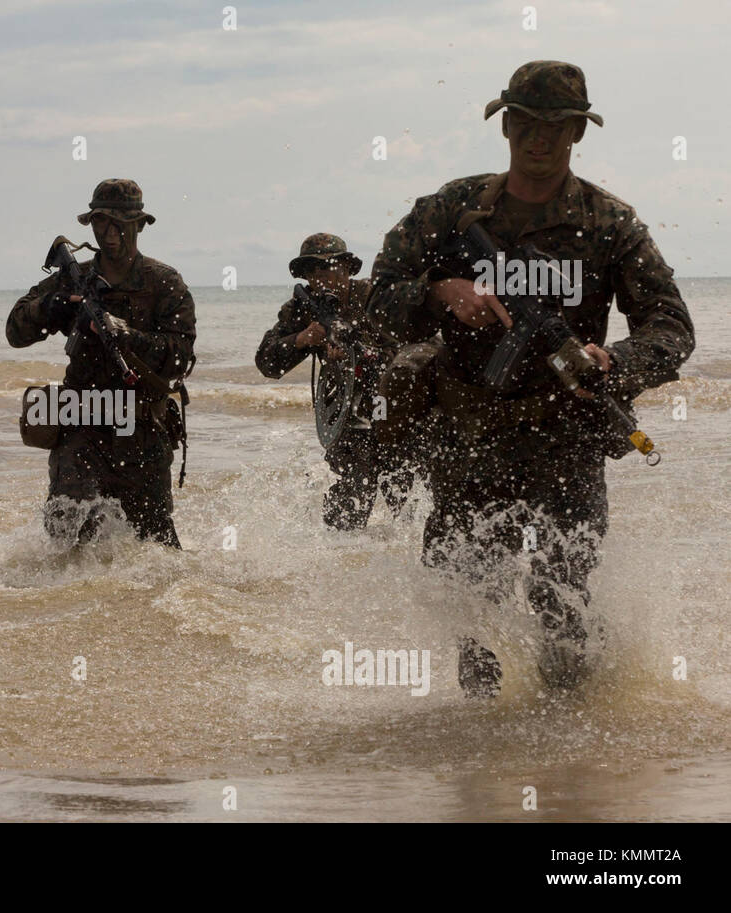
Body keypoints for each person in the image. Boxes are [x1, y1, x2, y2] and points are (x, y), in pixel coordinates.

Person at [366, 62, 695, 695]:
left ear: (578, 133)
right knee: (475, 617)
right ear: (506, 125)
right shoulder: (451, 210)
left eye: (557, 127)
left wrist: (614, 362)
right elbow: (377, 299)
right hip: (468, 443)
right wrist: (440, 293)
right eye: (527, 124)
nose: (539, 140)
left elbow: (671, 327)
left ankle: (575, 771)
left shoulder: (608, 223)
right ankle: (485, 767)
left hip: (566, 441)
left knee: (563, 608)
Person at [6, 179, 195, 547]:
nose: (109, 233)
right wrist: (53, 307)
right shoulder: (74, 279)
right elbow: (15, 331)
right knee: (68, 545)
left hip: (140, 431)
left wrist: (124, 334)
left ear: (139, 225)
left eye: (119, 224)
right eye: (100, 223)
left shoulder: (164, 283)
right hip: (82, 429)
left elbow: (180, 357)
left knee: (156, 551)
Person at [256, 233, 417, 529]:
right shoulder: (302, 309)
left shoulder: (374, 298)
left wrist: (365, 355)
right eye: (314, 271)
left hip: (396, 410)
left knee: (407, 505)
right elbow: (266, 362)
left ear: (347, 269)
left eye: (332, 267)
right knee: (346, 515)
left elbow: (420, 348)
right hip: (348, 417)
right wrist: (302, 340)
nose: (324, 277)